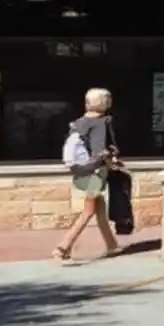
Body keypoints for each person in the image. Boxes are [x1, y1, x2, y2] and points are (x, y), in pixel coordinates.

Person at [52, 88, 122, 262]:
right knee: (89, 210)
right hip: (95, 173)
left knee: (99, 208)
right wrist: (112, 161)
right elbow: (101, 151)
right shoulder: (102, 122)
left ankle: (112, 245)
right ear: (106, 103)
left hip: (82, 170)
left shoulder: (78, 123)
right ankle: (63, 246)